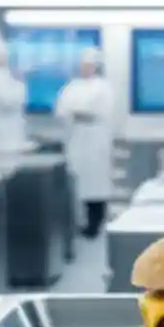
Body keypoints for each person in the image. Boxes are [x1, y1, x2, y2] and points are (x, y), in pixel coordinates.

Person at [55, 47, 115, 238]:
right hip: (77, 138)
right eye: (83, 65)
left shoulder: (103, 87)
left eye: (89, 65)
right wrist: (77, 112)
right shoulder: (72, 87)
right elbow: (61, 110)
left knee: (96, 184)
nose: (86, 68)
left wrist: (81, 111)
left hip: (96, 138)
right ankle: (77, 224)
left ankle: (95, 222)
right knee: (78, 182)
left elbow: (102, 111)